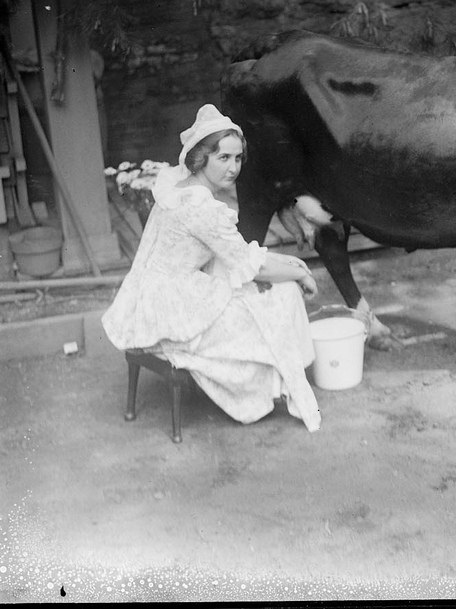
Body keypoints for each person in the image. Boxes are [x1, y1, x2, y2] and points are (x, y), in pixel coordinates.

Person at [102, 104, 322, 431]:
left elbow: (234, 254)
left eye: (237, 158)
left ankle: (277, 381)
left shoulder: (179, 186)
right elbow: (253, 266)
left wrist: (288, 264)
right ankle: (268, 390)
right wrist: (300, 272)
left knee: (261, 292)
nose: (233, 168)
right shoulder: (201, 207)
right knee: (281, 297)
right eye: (223, 158)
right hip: (172, 310)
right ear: (201, 157)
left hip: (152, 297)